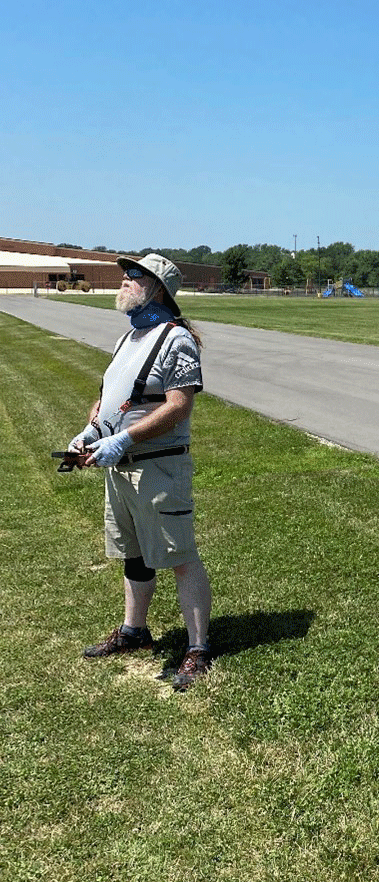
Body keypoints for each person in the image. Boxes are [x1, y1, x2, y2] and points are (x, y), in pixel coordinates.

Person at [66, 253, 214, 691]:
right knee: (134, 555)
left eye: (135, 277)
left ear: (157, 289)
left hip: (157, 469)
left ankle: (198, 648)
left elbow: (179, 405)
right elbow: (107, 398)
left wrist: (125, 440)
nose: (124, 282)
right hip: (120, 470)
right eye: (126, 276)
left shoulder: (176, 339)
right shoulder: (126, 339)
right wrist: (90, 431)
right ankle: (134, 630)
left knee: (180, 557)